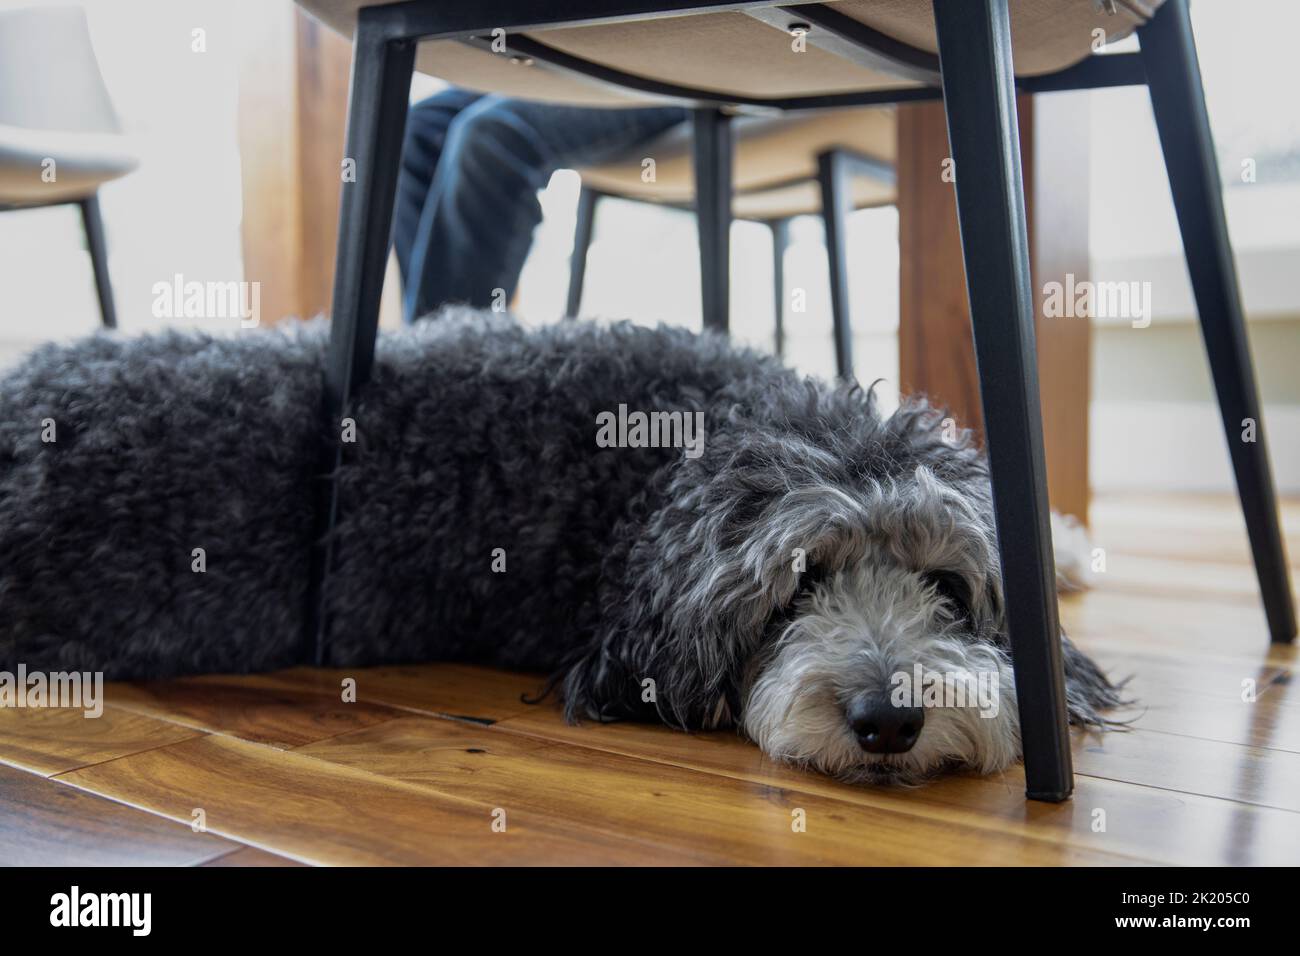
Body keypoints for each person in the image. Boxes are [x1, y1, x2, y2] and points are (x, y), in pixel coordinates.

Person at [393, 88, 686, 323]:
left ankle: (450, 364)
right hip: (571, 62)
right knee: (419, 128)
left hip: (671, 70)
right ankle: (425, 341)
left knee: (492, 136)